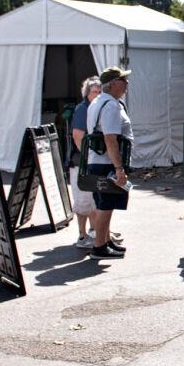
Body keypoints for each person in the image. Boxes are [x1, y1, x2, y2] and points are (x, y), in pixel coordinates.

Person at [83, 67, 133, 259]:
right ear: (112, 84)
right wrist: (119, 167)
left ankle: (104, 240)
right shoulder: (110, 105)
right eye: (123, 80)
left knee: (104, 203)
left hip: (98, 161)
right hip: (106, 162)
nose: (127, 83)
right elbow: (110, 138)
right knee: (106, 204)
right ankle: (99, 246)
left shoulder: (99, 101)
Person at [69, 76, 102, 248]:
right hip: (81, 162)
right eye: (94, 92)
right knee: (83, 201)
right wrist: (88, 158)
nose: (97, 94)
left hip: (92, 161)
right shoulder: (83, 109)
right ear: (87, 93)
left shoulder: (96, 108)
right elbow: (77, 136)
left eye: (99, 91)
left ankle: (96, 232)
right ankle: (82, 236)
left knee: (94, 200)